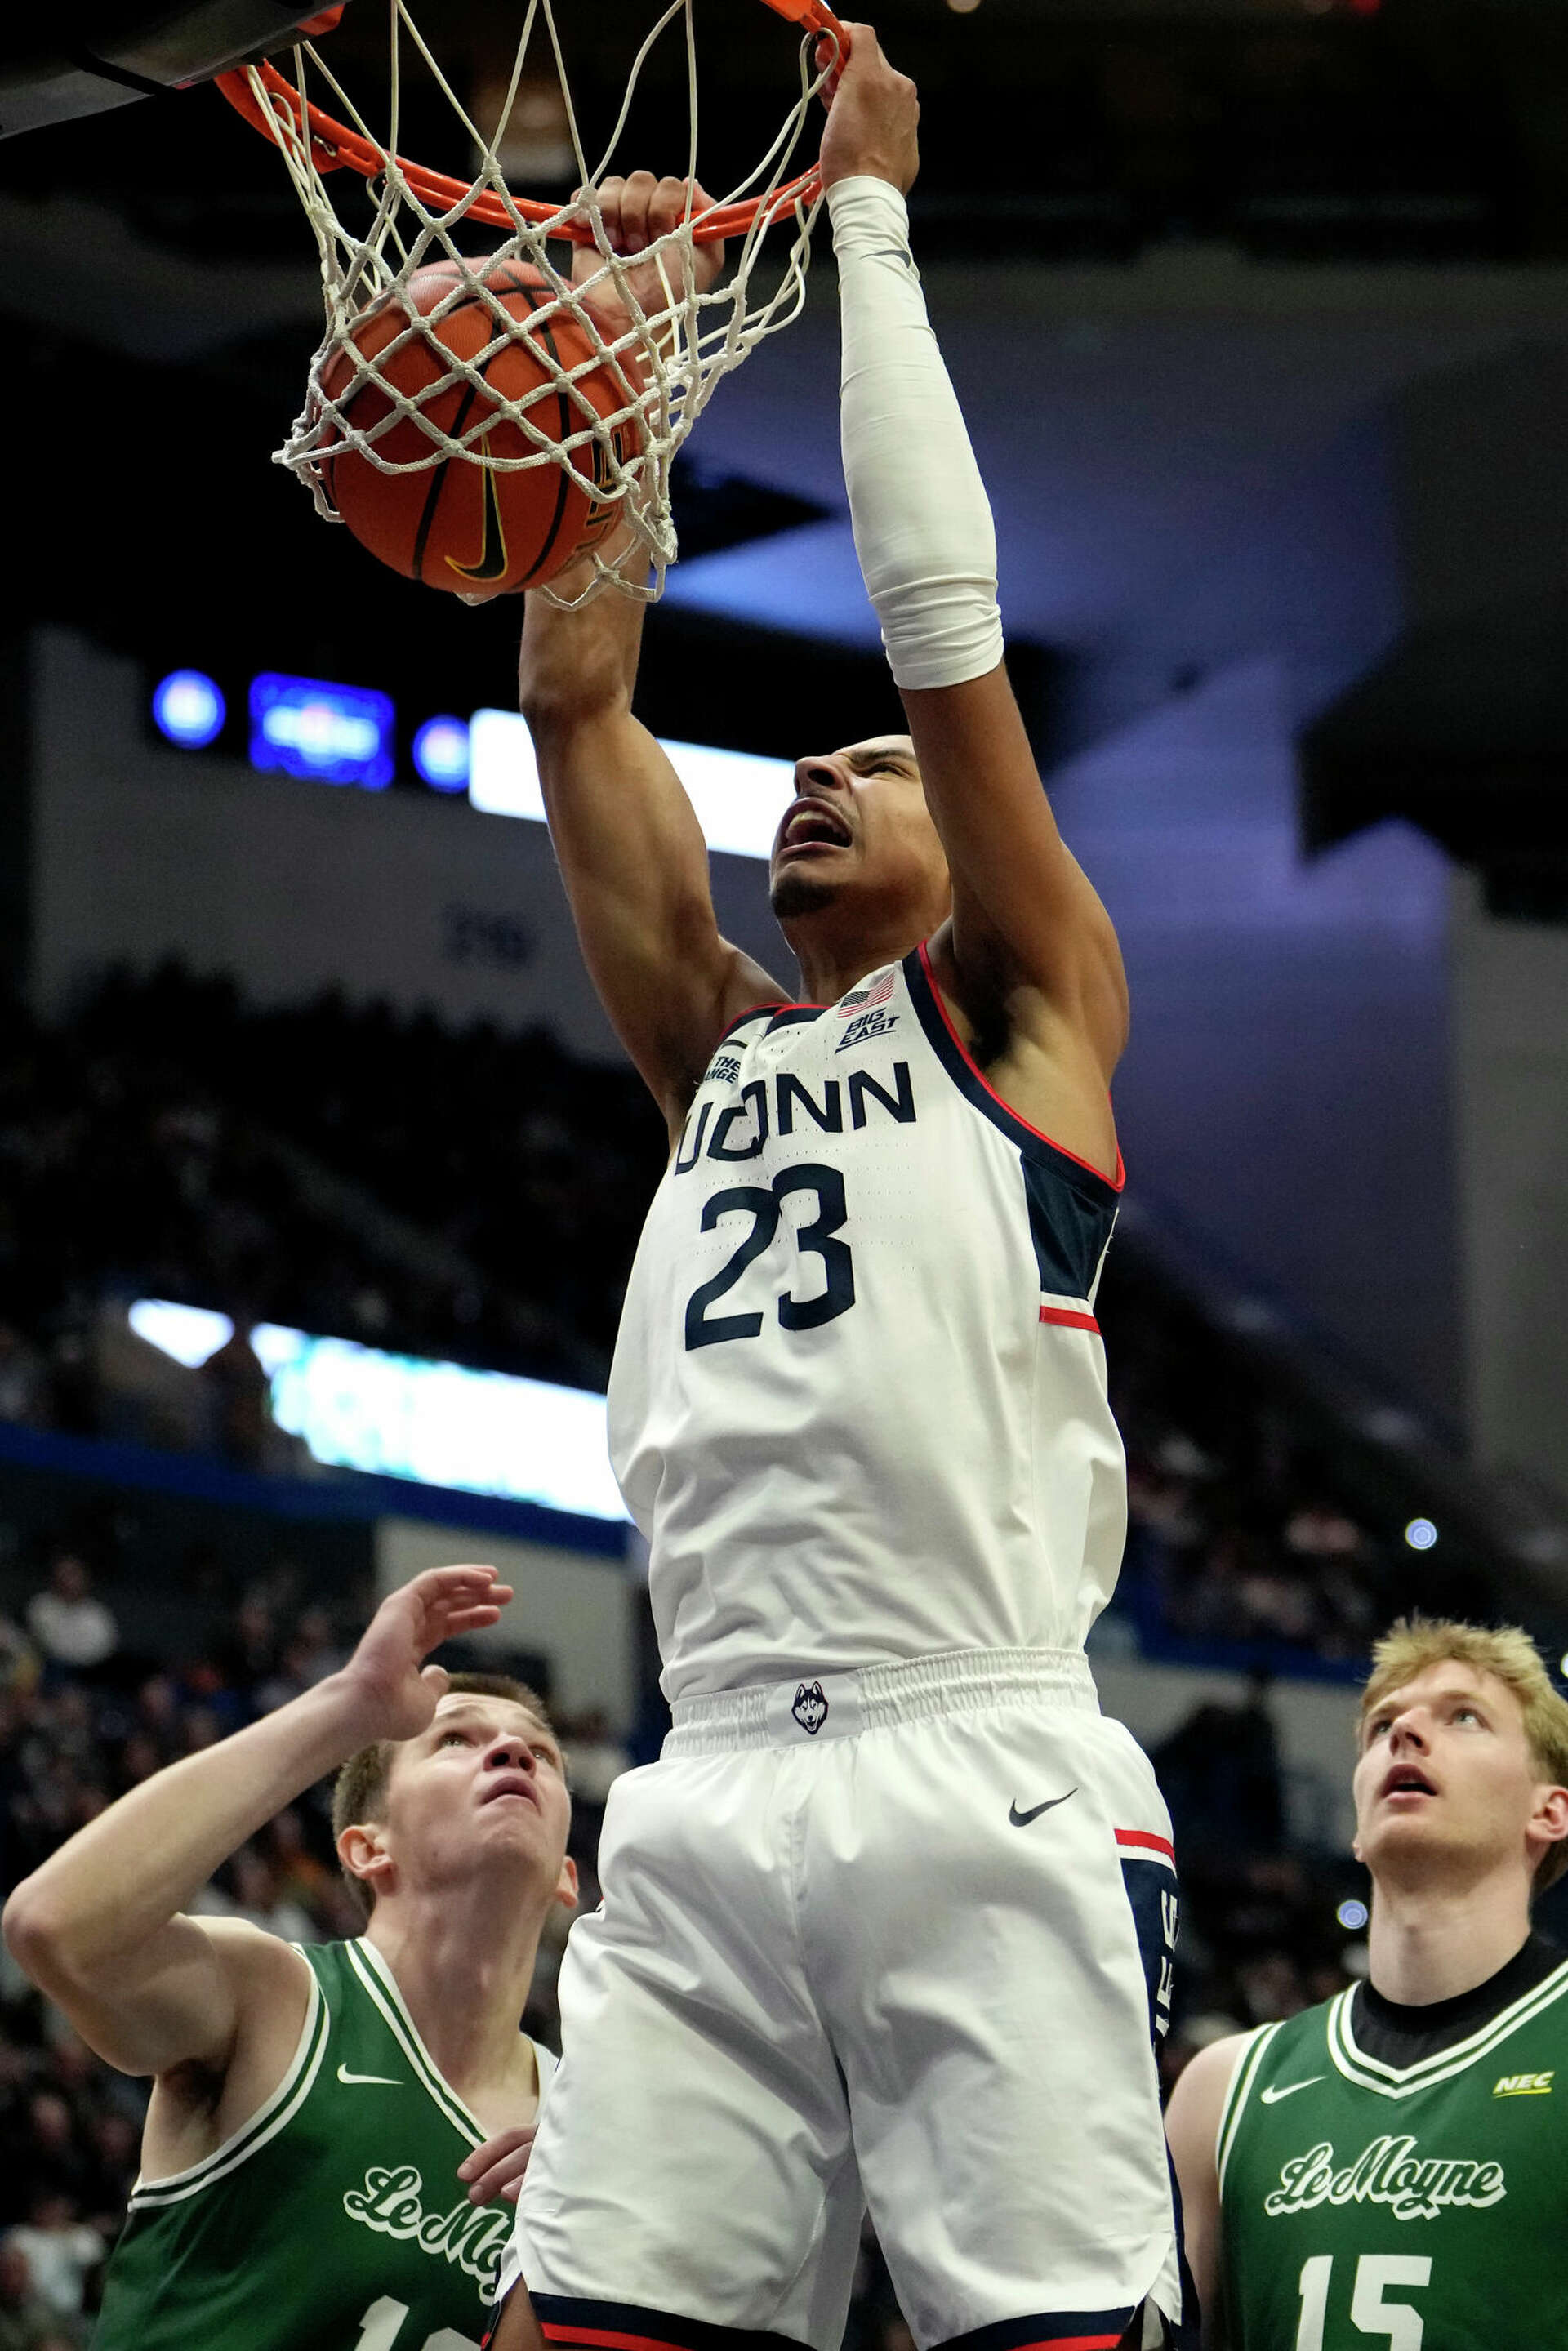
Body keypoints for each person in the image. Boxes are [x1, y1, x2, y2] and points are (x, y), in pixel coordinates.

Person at [492, 24, 1187, 2351]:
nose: (818, 772)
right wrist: (621, 386)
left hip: (973, 1749)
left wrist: (865, 224)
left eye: (865, 767)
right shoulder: (713, 1047)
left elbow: (940, 625)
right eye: (797, 760)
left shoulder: (1025, 1007)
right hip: (700, 1785)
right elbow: (580, 703)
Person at [2, 1565, 576, 2351]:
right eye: (455, 1738)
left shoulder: (584, 2128)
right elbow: (52, 1926)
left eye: (540, 1752)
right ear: (367, 1846)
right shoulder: (277, 1996)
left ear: (567, 1878)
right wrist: (349, 1708)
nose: (511, 1747)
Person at [1165, 1615, 1568, 2347]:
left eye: (1464, 1717)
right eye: (1383, 1724)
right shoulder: (1224, 2090)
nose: (1404, 1733)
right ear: (1356, 1826)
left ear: (1551, 1810)